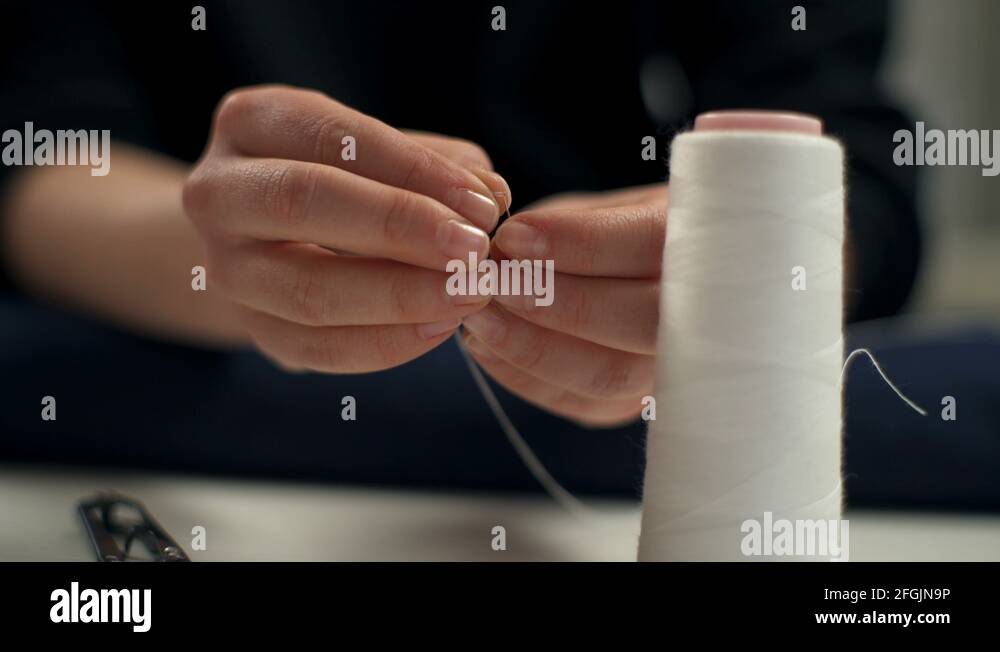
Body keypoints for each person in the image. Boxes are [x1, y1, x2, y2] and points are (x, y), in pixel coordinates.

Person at [0, 1, 920, 493]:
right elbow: (41, 148)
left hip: (657, 445)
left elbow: (852, 166)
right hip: (168, 407)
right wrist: (210, 252)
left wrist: (749, 254)